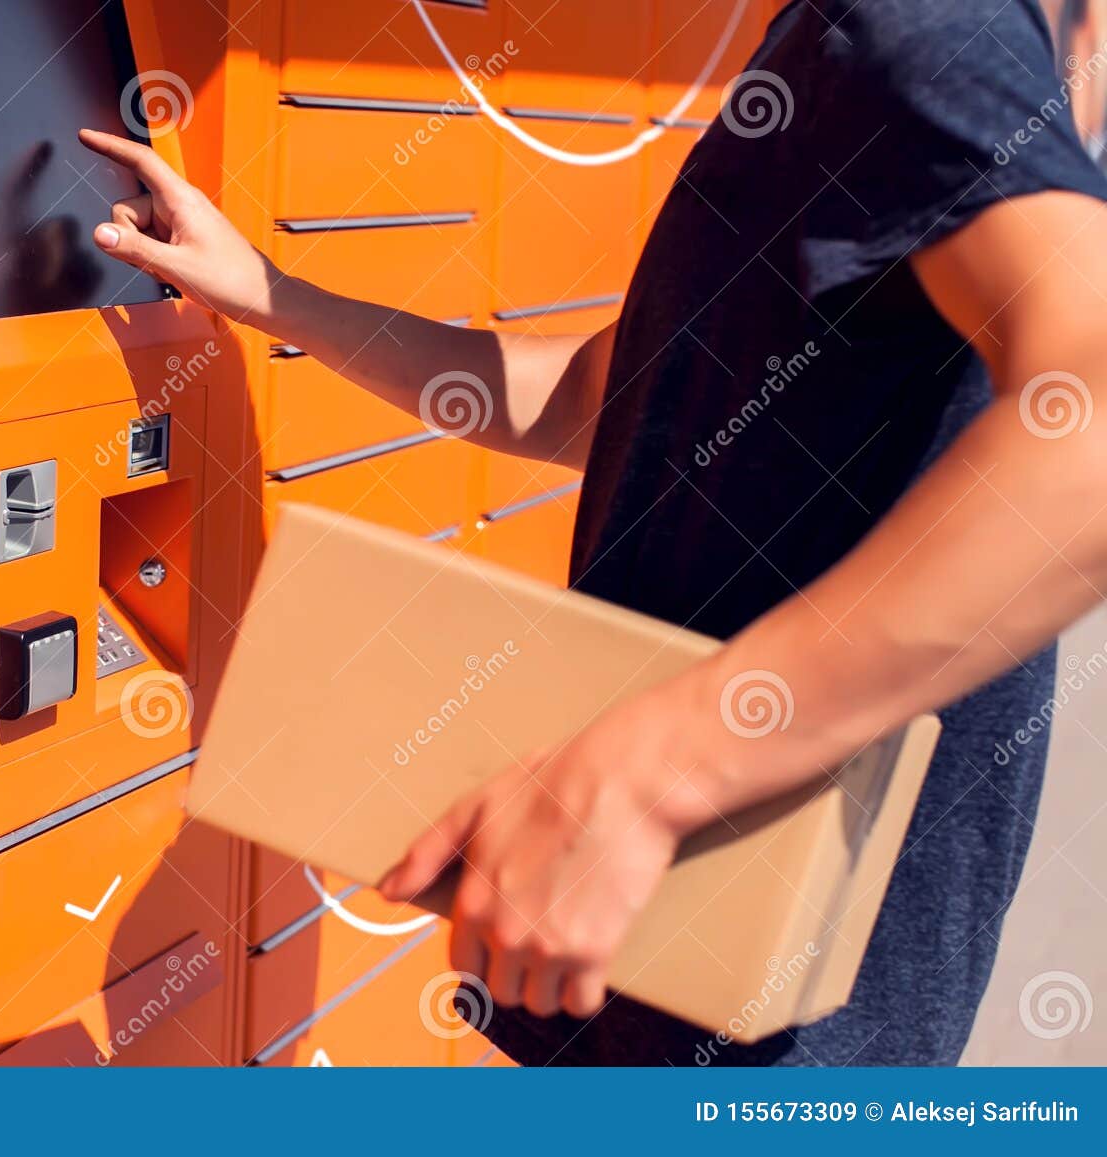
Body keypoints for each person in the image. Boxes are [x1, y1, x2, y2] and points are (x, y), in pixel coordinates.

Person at [80, 0, 1107, 1065]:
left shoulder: (917, 28)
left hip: (773, 1027)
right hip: (664, 975)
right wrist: (269, 291)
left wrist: (654, 769)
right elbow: (589, 398)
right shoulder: (837, 48)